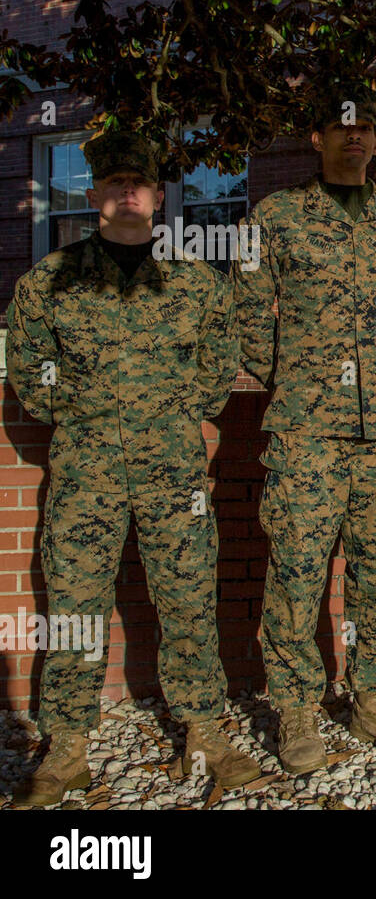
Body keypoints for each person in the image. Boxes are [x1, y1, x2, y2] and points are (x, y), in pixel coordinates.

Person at [8, 129, 257, 805]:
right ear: (94, 194)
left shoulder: (194, 283)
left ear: (156, 195)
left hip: (171, 469)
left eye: (137, 184)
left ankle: (205, 728)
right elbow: (28, 365)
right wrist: (76, 405)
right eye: (113, 183)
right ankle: (66, 749)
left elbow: (219, 361)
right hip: (86, 471)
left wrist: (183, 406)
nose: (126, 193)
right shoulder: (52, 280)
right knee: (75, 608)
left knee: (187, 599)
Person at [233, 91, 376, 773]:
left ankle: (371, 699)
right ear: (316, 137)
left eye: (367, 128)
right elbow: (248, 317)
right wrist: (298, 380)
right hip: (308, 433)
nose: (355, 139)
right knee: (297, 571)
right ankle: (295, 709)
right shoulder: (277, 218)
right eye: (342, 127)